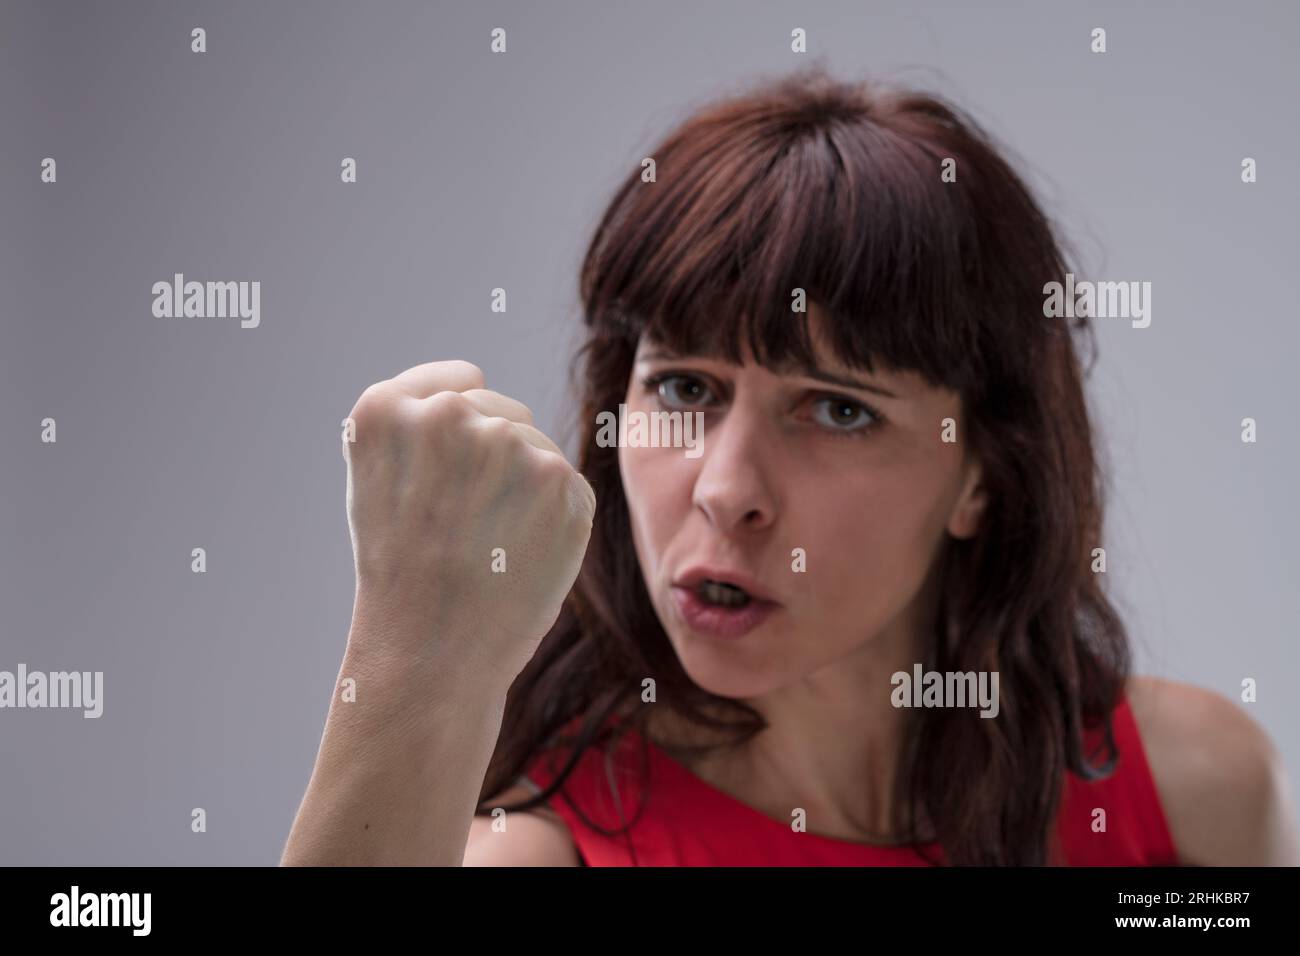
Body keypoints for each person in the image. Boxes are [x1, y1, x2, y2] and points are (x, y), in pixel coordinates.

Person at [280, 67, 1300, 866]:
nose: (725, 489)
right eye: (683, 388)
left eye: (837, 408)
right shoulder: (542, 847)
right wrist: (413, 648)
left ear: (983, 474)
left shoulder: (1188, 791)